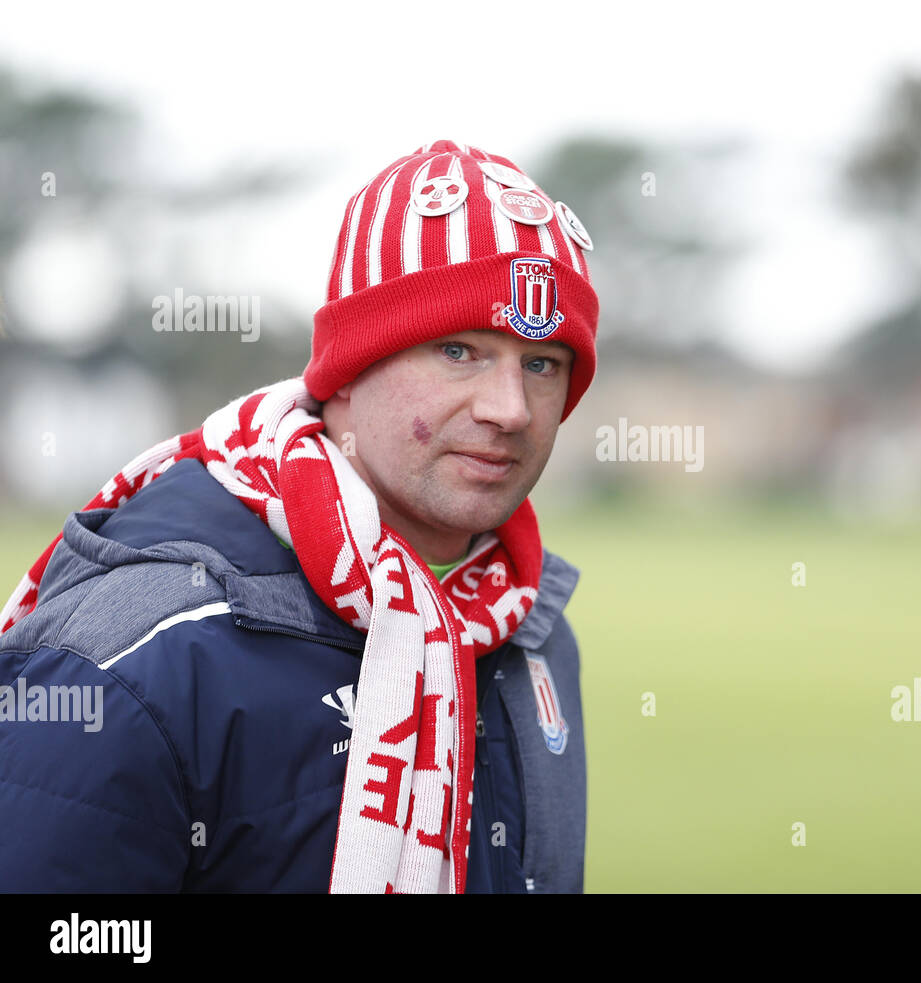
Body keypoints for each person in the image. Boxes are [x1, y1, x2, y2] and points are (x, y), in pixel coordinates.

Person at [0, 139, 599, 894]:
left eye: (541, 364)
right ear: (350, 366)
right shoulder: (141, 655)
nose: (510, 409)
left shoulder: (529, 628)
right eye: (458, 350)